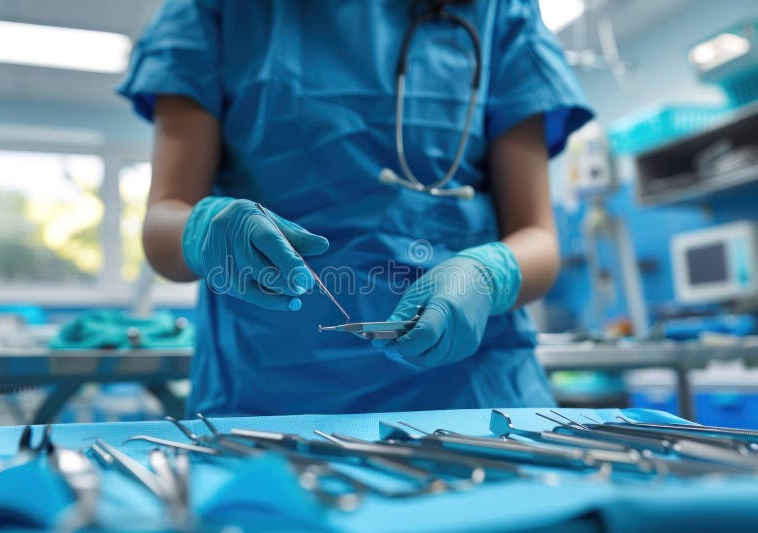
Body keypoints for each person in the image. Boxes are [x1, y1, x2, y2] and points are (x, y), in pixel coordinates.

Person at [118, 0, 593, 416]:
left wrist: (489, 275)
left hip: (473, 400)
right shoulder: (215, 9)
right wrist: (203, 230)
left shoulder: (497, 10)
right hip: (266, 402)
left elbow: (538, 238)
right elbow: (163, 225)